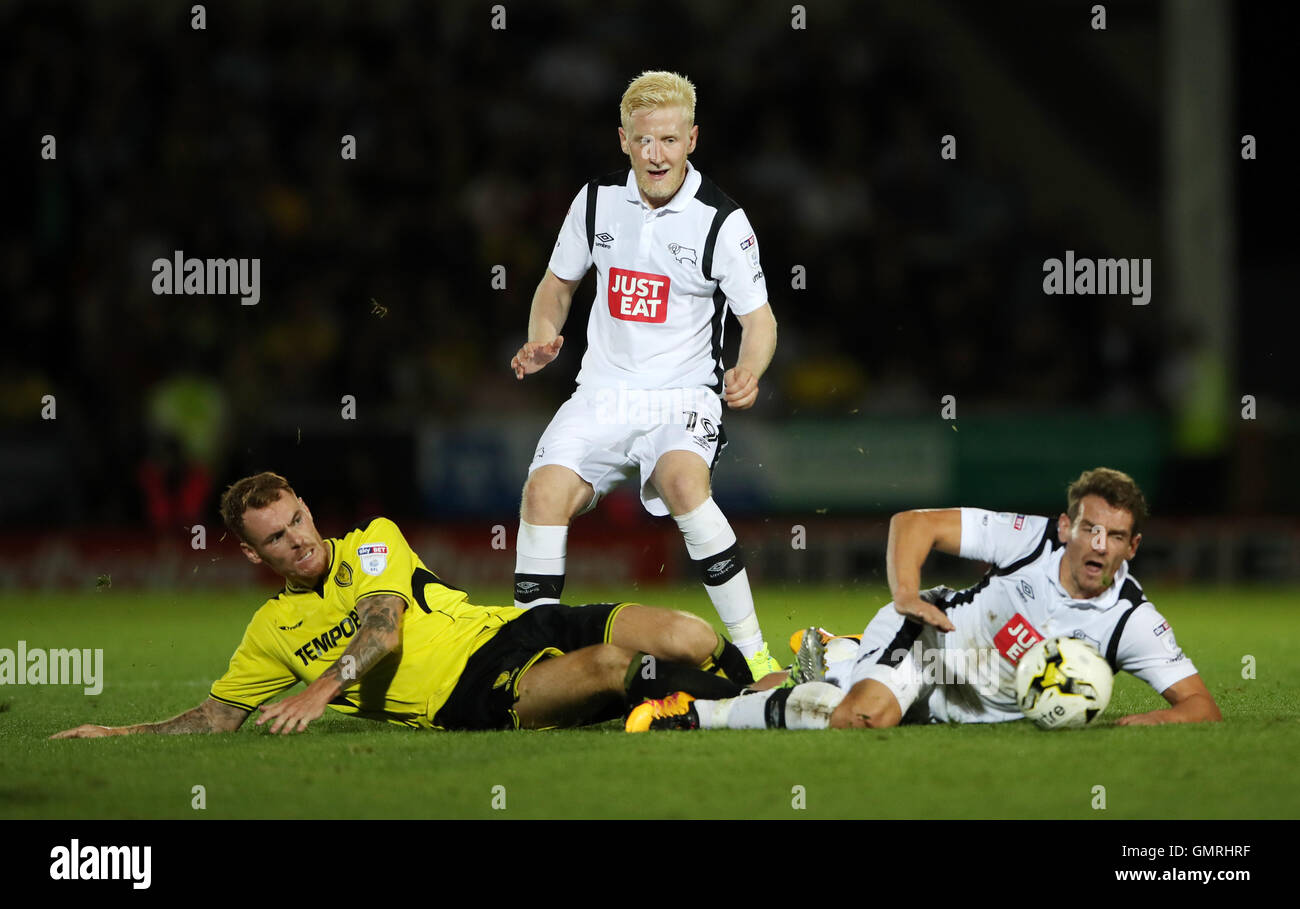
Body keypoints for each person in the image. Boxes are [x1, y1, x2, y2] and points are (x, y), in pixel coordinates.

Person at [51, 471, 752, 738]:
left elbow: (381, 629)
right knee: (610, 665)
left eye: (296, 518)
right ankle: (761, 713)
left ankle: (766, 686)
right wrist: (119, 735)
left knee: (686, 632)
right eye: (276, 538)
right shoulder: (271, 631)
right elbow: (217, 716)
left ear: (305, 503)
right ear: (251, 553)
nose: (297, 540)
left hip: (512, 625)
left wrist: (325, 686)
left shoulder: (371, 544)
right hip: (467, 694)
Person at [509, 70, 782, 679]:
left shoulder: (722, 222)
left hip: (682, 395)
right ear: (623, 141)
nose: (655, 155)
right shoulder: (596, 199)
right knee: (542, 495)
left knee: (686, 483)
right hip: (603, 391)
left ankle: (754, 654)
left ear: (692, 139)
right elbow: (557, 285)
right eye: (643, 141)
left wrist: (748, 368)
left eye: (668, 140)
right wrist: (542, 336)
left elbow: (759, 320)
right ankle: (533, 661)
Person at [627, 467, 1223, 731]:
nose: (1098, 546)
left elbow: (1200, 707)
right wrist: (907, 595)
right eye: (1089, 529)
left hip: (954, 705)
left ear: (1133, 546)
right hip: (927, 641)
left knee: (788, 689)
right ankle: (690, 715)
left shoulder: (1131, 620)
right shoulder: (1031, 538)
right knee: (859, 718)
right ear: (1067, 527)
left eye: (1115, 536)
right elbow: (914, 523)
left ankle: (833, 656)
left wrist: (1127, 724)